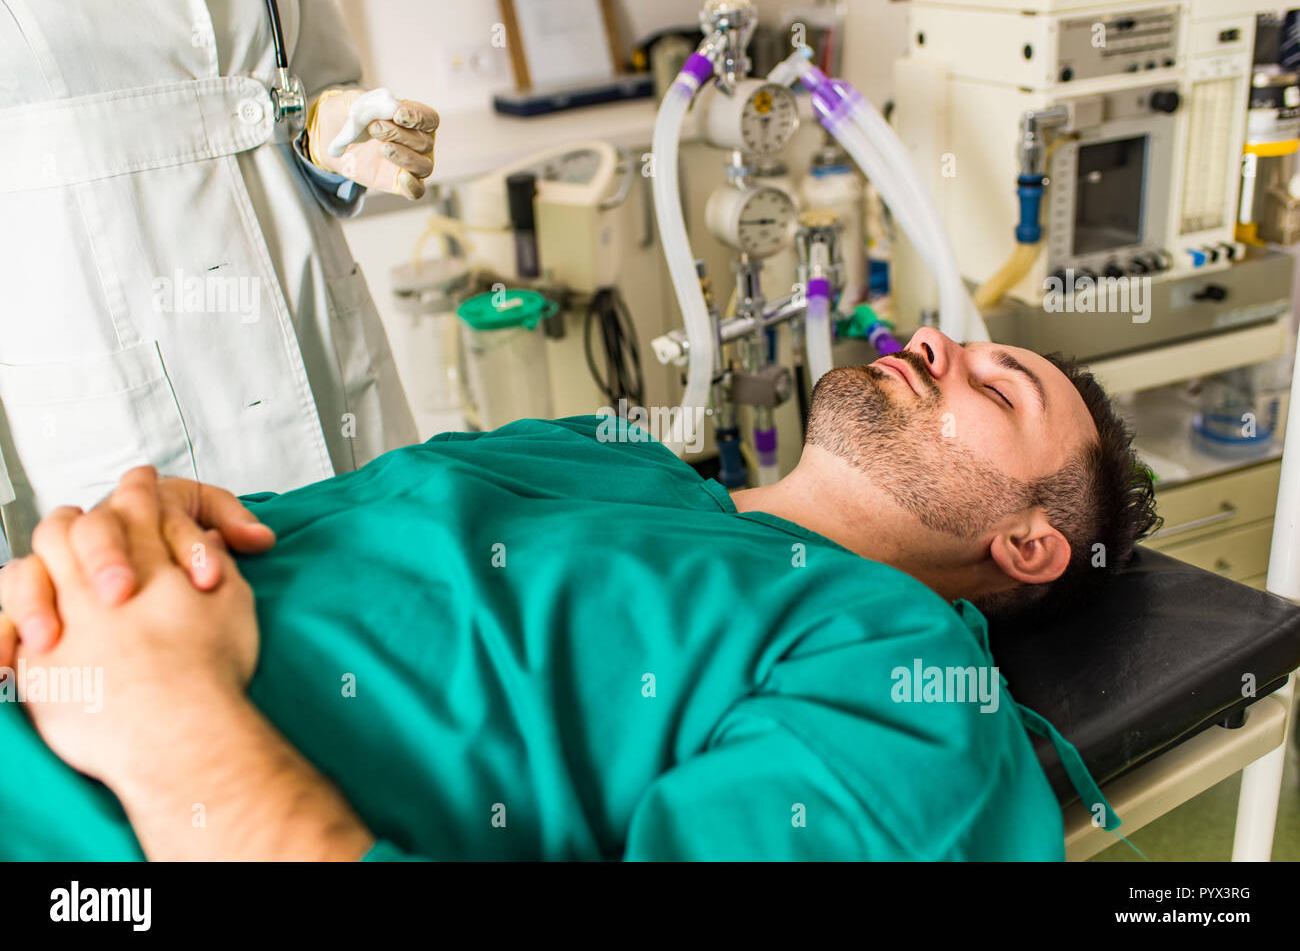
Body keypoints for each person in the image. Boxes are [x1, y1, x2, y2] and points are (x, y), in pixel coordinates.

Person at [0, 329, 1161, 860]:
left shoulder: (903, 673)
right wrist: (116, 554)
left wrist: (171, 734)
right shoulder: (604, 452)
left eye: (999, 389)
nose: (934, 342)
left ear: (1027, 546)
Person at [0, 0, 438, 560]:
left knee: (391, 594)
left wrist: (328, 134)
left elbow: (304, 83)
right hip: (97, 403)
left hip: (314, 330)